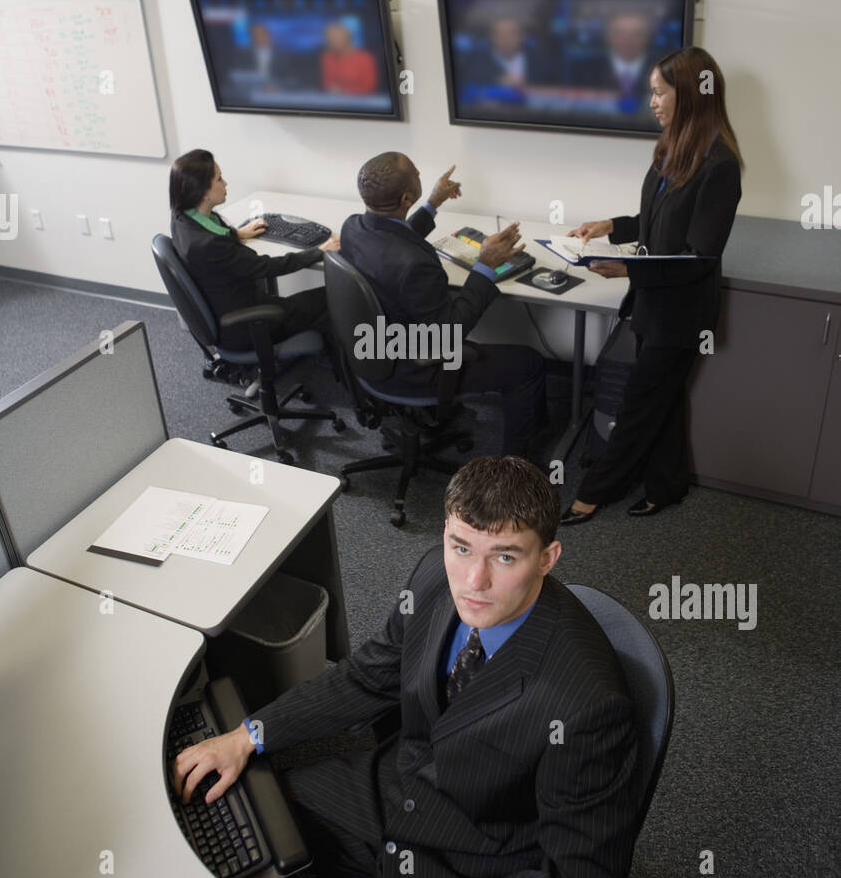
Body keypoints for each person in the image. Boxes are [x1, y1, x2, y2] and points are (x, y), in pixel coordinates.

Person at [173, 456, 639, 878]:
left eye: (504, 557)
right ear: (445, 534)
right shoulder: (433, 579)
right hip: (394, 786)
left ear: (547, 558)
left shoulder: (588, 705)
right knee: (254, 818)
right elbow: (368, 677)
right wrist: (246, 735)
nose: (473, 581)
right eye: (460, 547)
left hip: (472, 859)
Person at [560, 45, 743, 524]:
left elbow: (700, 257)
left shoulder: (719, 166)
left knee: (641, 402)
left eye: (660, 93)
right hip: (650, 301)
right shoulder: (672, 147)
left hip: (680, 313)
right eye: (651, 94)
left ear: (692, 94)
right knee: (664, 398)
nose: (653, 103)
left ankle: (594, 492)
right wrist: (610, 227)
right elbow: (656, 221)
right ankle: (668, 486)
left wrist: (626, 270)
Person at [339, 151, 548, 457]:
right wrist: (485, 266)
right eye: (418, 175)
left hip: (369, 353)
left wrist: (432, 204)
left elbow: (394, 238)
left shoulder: (353, 227)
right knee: (528, 364)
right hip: (415, 369)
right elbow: (449, 334)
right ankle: (516, 467)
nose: (422, 175)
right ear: (406, 198)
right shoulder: (414, 267)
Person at [169, 149, 339, 355]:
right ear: (202, 191)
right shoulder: (208, 246)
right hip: (245, 326)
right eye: (219, 179)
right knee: (331, 297)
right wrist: (319, 251)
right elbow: (266, 267)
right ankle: (347, 365)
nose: (226, 184)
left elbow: (215, 248)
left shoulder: (182, 218)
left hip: (227, 306)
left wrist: (237, 234)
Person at [320, 21, 378, 95]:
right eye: (330, 38)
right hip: (335, 101)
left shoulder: (365, 58)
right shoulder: (327, 57)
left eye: (337, 38)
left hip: (362, 101)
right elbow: (327, 83)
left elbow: (370, 86)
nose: (333, 41)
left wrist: (345, 91)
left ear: (348, 38)